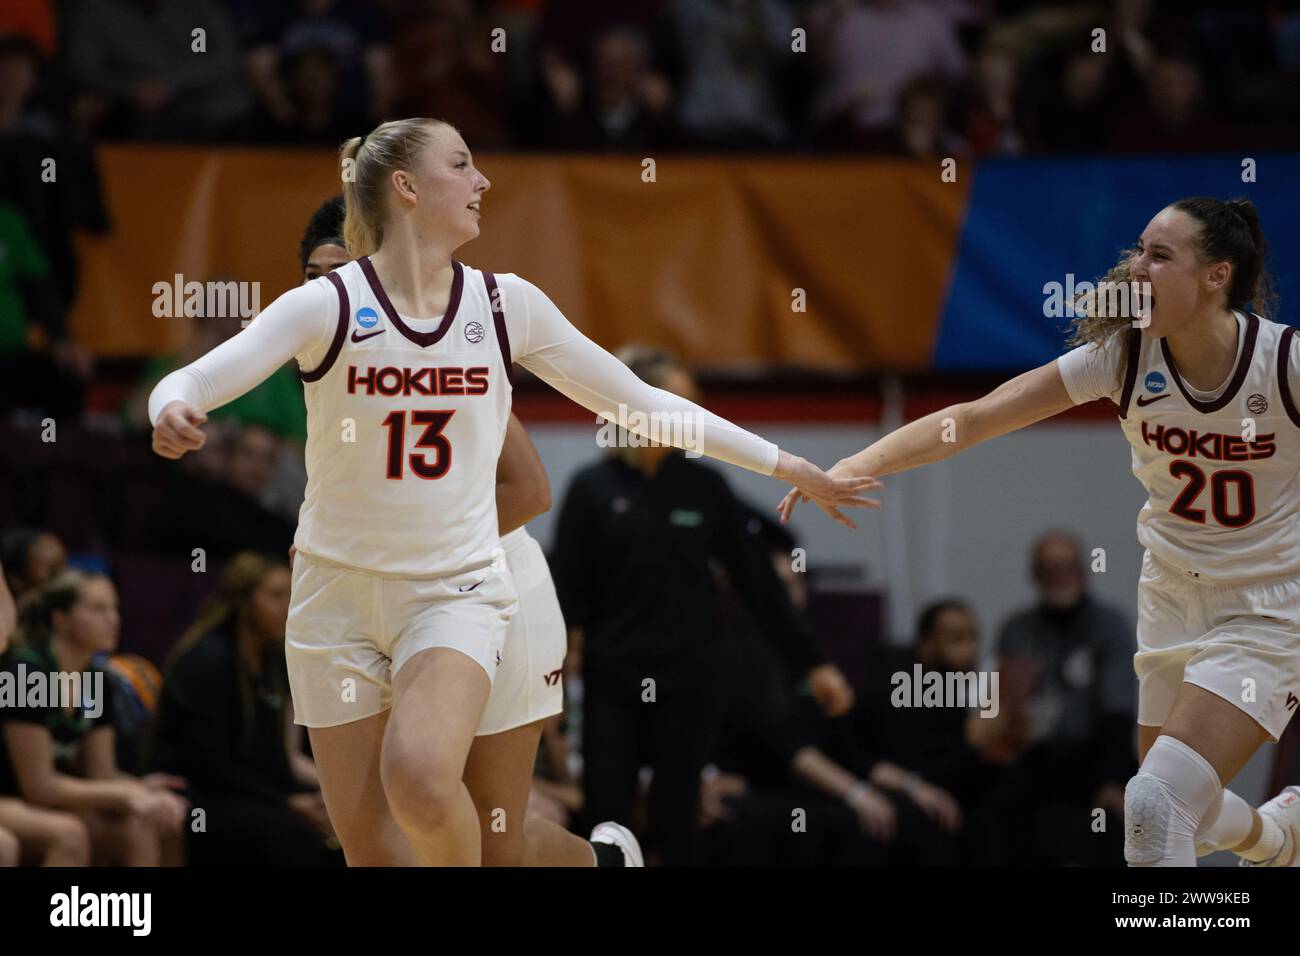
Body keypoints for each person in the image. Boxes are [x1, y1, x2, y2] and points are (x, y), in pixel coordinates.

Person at [147, 117, 875, 867]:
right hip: (336, 590)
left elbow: (641, 404)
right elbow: (199, 374)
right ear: (404, 187)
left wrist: (788, 465)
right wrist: (168, 407)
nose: (483, 181)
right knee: (373, 847)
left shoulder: (505, 305)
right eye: (461, 164)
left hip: (454, 586)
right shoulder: (327, 304)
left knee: (428, 790)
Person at [781, 195, 1300, 867]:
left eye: (1160, 255)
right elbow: (972, 419)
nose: (1136, 266)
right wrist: (851, 464)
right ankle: (1278, 837)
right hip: (1171, 600)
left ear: (1216, 277)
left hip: (1265, 612)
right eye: (1139, 248)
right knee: (1178, 815)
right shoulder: (1122, 359)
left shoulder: (1283, 364)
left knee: (1153, 804)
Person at [292, 194, 604, 867]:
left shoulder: (443, 359)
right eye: (318, 275)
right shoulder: (315, 352)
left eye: (345, 270)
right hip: (373, 601)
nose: (334, 290)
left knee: (494, 844)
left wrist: (407, 541)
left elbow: (529, 490)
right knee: (378, 839)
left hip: (490, 590)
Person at [551, 345, 855, 864]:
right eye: (680, 401)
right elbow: (564, 594)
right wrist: (553, 680)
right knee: (607, 821)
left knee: (679, 819)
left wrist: (815, 663)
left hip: (689, 683)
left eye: (692, 402)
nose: (692, 414)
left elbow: (760, 584)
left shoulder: (704, 486)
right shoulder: (591, 489)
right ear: (635, 403)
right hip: (612, 684)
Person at [149, 552, 341, 866]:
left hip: (251, 793)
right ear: (244, 601)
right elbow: (209, 765)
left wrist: (323, 794)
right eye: (277, 596)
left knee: (337, 828)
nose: (288, 606)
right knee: (294, 838)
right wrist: (288, 802)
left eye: (292, 595)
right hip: (197, 796)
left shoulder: (274, 659)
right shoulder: (209, 659)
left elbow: (285, 756)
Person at [0, 569, 188, 865]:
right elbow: (38, 786)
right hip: (11, 795)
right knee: (68, 833)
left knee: (158, 822)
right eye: (98, 609)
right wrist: (123, 794)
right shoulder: (26, 675)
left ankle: (136, 912)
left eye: (114, 609)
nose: (113, 619)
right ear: (59, 618)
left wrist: (141, 788)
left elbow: (101, 772)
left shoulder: (95, 681)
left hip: (45, 798)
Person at [994, 531, 1136, 865]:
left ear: (1082, 572)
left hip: (1095, 757)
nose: (1059, 577)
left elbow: (1119, 710)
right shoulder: (1016, 629)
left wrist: (1111, 779)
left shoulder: (1109, 625)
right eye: (1049, 569)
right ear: (1035, 576)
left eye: (1067, 567)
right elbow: (1002, 705)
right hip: (1032, 760)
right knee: (997, 809)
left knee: (1110, 824)